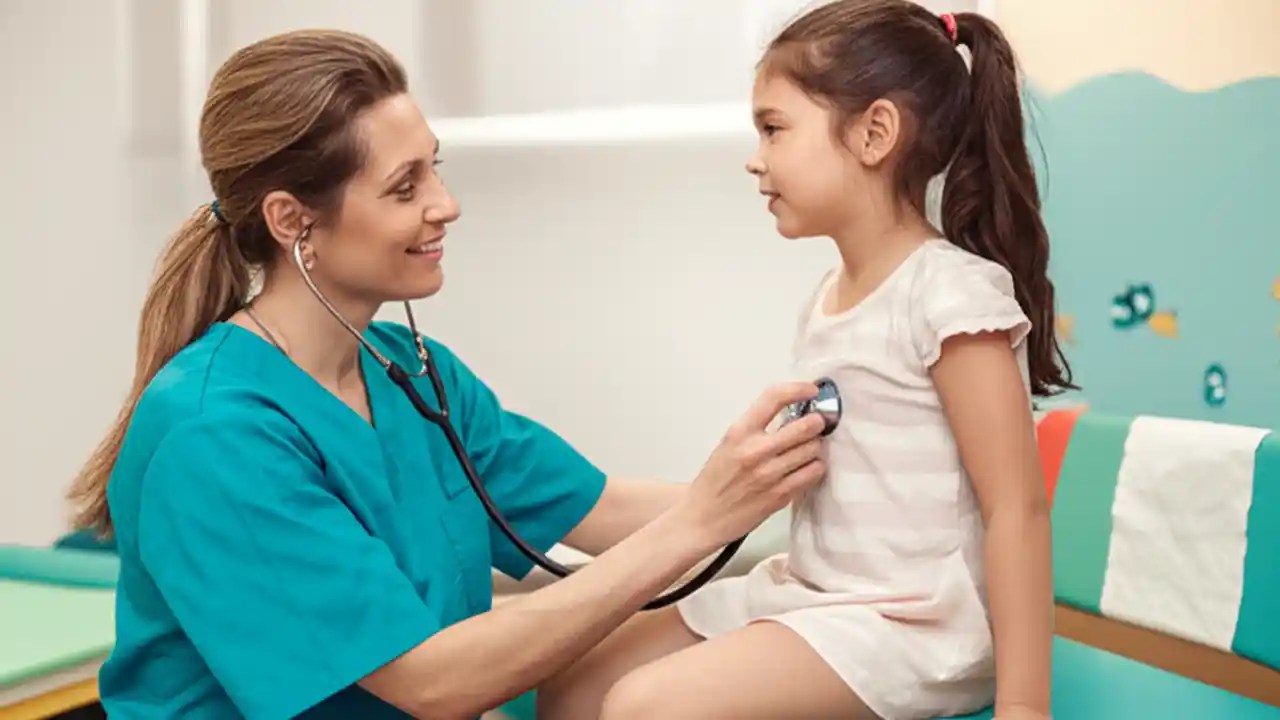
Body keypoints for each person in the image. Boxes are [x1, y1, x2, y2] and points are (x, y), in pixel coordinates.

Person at [66, 29, 831, 720]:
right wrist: (706, 519)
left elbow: (601, 509)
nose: (447, 205)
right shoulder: (216, 437)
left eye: (436, 170)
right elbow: (432, 682)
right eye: (406, 188)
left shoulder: (410, 374)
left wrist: (820, 481)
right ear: (292, 220)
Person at [537, 3, 1070, 719]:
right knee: (573, 683)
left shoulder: (951, 294)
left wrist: (1025, 707)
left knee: (645, 706)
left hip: (910, 624)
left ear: (875, 133)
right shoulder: (829, 296)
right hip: (815, 594)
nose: (755, 157)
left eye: (773, 128)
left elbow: (1018, 510)